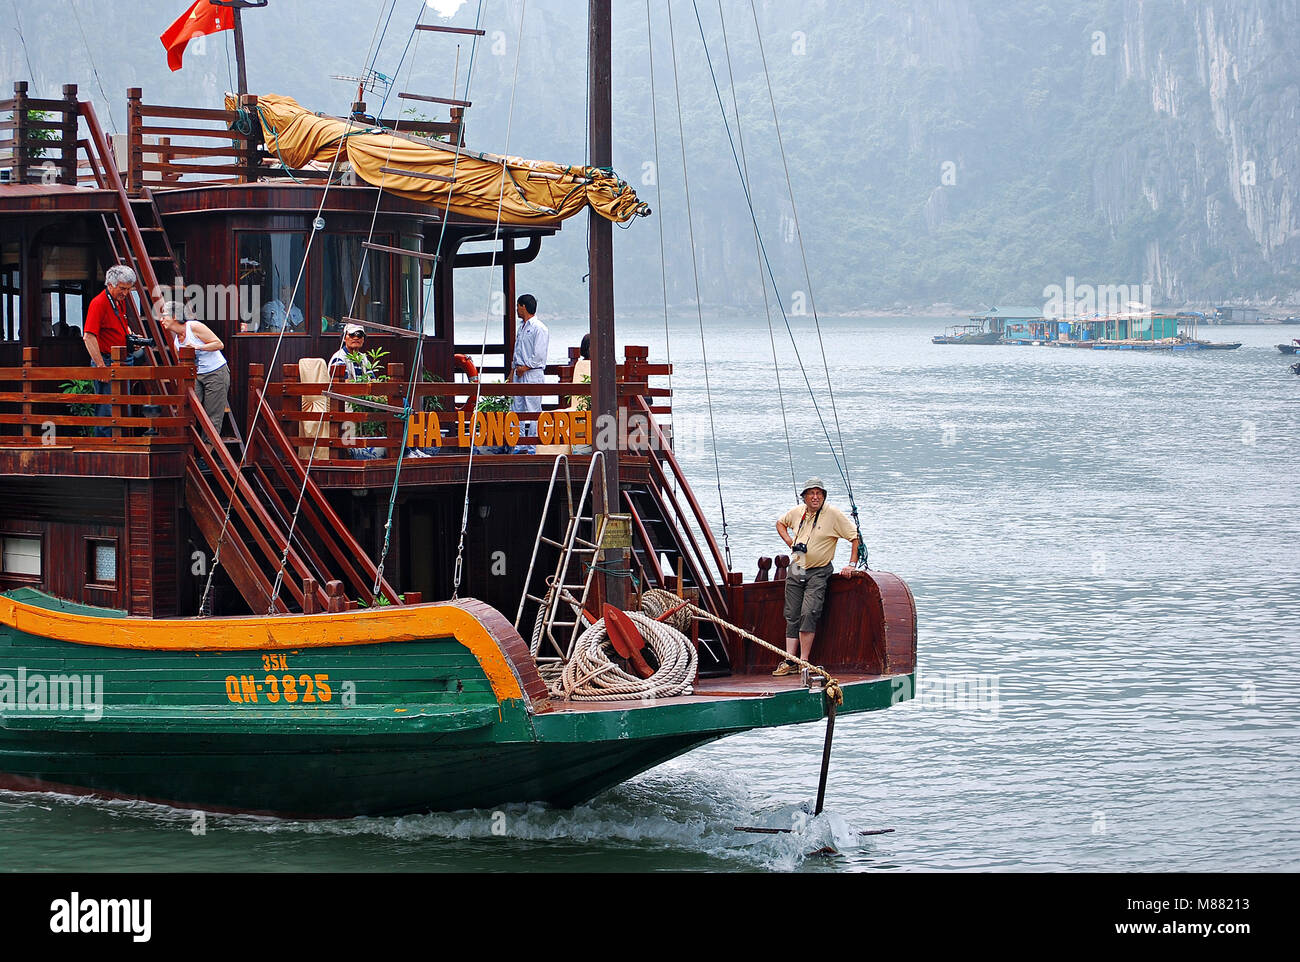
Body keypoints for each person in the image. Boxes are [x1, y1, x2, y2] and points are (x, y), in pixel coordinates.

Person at [772, 477, 860, 676]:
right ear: (804, 497)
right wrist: (790, 543)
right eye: (811, 493)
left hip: (819, 570)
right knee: (792, 613)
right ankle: (790, 660)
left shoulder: (833, 514)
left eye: (819, 493)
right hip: (797, 566)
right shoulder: (798, 512)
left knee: (808, 612)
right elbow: (780, 523)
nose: (815, 497)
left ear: (824, 496)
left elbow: (855, 537)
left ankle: (804, 661)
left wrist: (851, 564)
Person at [82, 265, 140, 438]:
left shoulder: (118, 301)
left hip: (122, 359)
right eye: (122, 288)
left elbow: (118, 328)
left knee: (122, 406)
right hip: (106, 360)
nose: (126, 293)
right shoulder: (99, 303)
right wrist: (101, 366)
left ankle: (120, 444)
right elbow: (89, 337)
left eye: (128, 289)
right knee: (106, 408)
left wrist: (131, 339)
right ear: (110, 284)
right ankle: (105, 447)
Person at [159, 301, 229, 436]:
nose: (161, 319)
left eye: (164, 315)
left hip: (215, 372)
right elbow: (181, 365)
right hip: (196, 375)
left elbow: (219, 344)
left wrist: (198, 347)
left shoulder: (194, 327)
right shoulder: (176, 342)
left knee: (213, 413)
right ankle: (188, 443)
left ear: (175, 316)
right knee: (188, 407)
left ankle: (208, 446)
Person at [509, 293, 549, 454]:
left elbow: (539, 354)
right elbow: (517, 351)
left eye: (518, 306)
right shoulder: (521, 327)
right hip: (519, 371)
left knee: (533, 409)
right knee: (517, 408)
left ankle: (532, 446)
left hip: (532, 372)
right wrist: (513, 371)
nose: (517, 309)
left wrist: (525, 367)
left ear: (523, 306)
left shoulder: (540, 328)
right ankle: (519, 444)